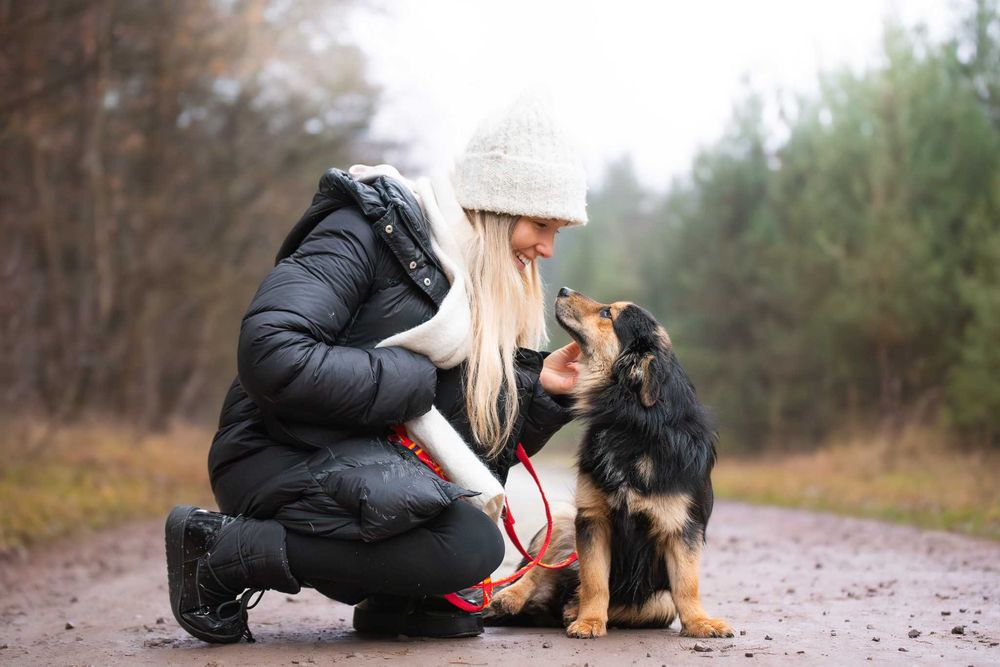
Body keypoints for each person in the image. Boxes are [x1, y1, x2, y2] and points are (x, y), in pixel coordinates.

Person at [165, 91, 588, 644]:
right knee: (470, 546)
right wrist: (411, 379)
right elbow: (269, 352)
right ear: (497, 205)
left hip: (355, 460)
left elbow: (466, 433)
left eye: (558, 231)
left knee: (461, 560)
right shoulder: (364, 230)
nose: (549, 249)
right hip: (275, 450)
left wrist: (537, 391)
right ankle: (222, 553)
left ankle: (400, 598)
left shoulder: (466, 281)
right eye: (541, 225)